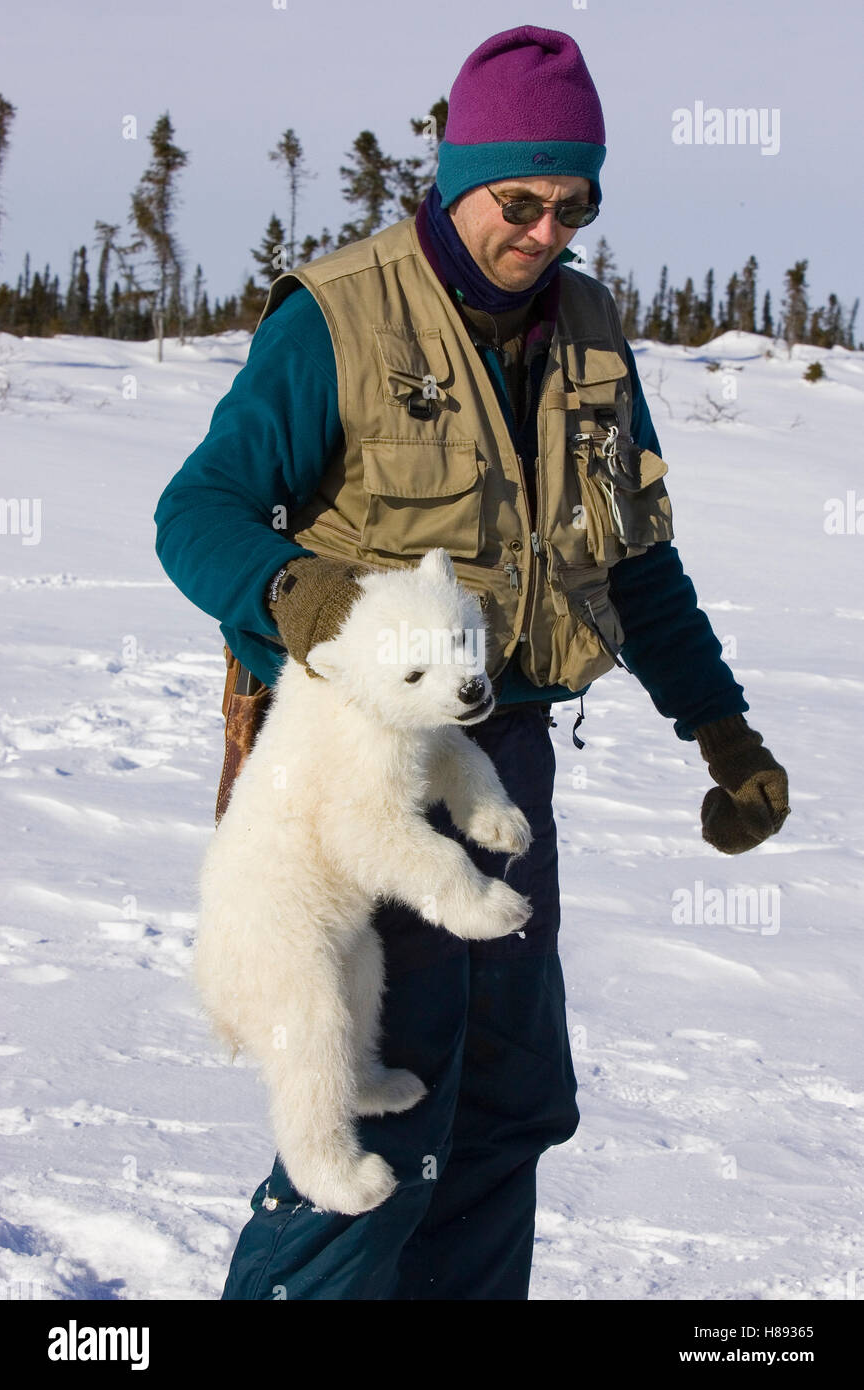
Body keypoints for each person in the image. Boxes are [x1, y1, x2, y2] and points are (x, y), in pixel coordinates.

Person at [154, 25, 790, 1300]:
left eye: (575, 205)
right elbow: (197, 510)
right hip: (354, 773)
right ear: (460, 177)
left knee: (509, 1102)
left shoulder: (591, 332)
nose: (547, 231)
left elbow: (634, 561)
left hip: (505, 763)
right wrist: (303, 594)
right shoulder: (338, 317)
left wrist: (719, 731)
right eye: (522, 201)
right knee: (375, 1102)